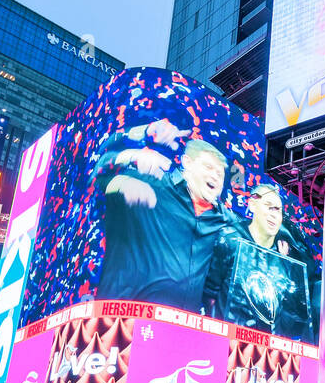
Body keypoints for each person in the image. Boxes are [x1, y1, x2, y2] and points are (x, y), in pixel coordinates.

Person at [90, 123, 232, 313]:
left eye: (220, 173)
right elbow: (95, 171)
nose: (215, 175)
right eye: (208, 167)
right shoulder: (153, 183)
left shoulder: (225, 221)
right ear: (187, 163)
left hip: (181, 330)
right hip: (122, 323)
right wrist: (133, 151)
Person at [202, 184, 314, 340]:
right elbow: (208, 294)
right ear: (252, 205)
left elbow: (294, 315)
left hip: (266, 352)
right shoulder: (230, 238)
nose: (274, 214)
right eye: (269, 207)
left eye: (278, 210)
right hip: (225, 341)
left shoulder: (285, 259)